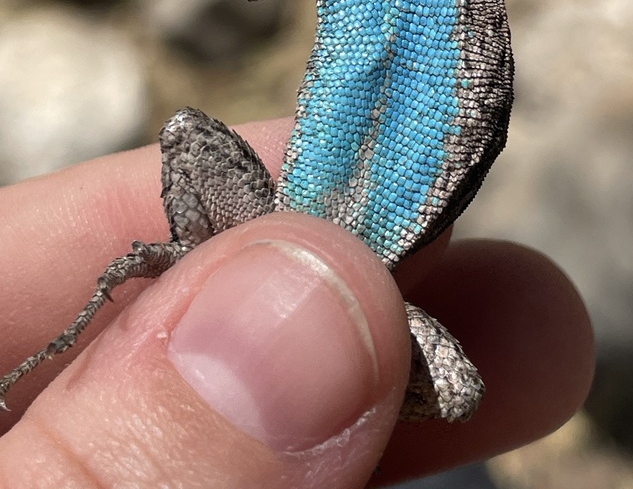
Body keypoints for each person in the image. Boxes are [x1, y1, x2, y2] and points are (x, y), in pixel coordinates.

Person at [0, 118, 594, 488]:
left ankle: (360, 402)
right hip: (280, 228)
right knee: (185, 131)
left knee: (461, 394)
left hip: (338, 255)